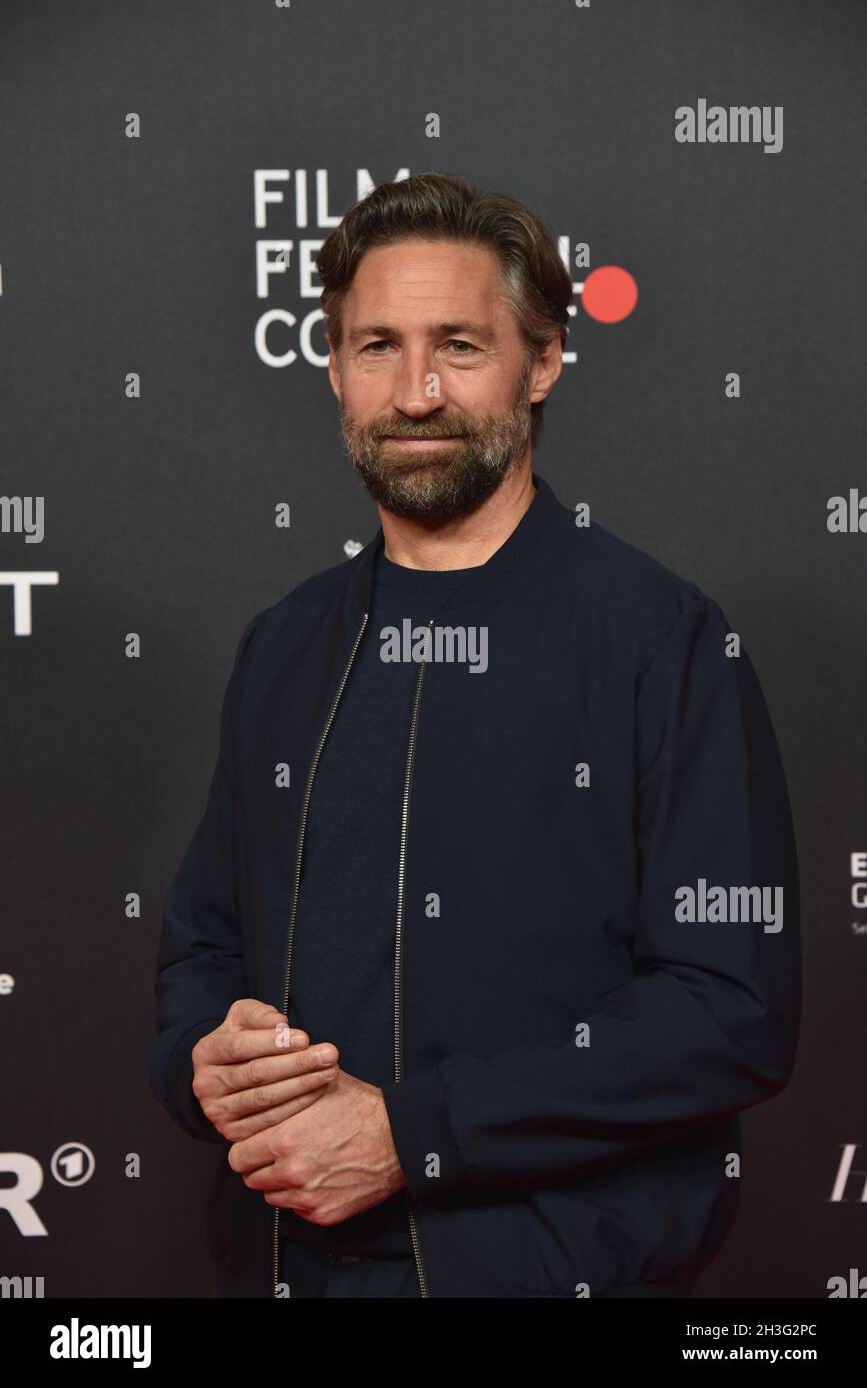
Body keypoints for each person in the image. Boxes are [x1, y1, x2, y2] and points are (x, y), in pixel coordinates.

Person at [150, 172, 801, 1299]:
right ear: (334, 369)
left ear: (542, 360)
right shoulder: (283, 646)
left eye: (457, 344)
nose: (415, 392)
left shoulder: (660, 638)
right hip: (282, 1270)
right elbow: (203, 949)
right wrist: (205, 1061)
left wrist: (414, 1132)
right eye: (376, 347)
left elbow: (728, 1006)